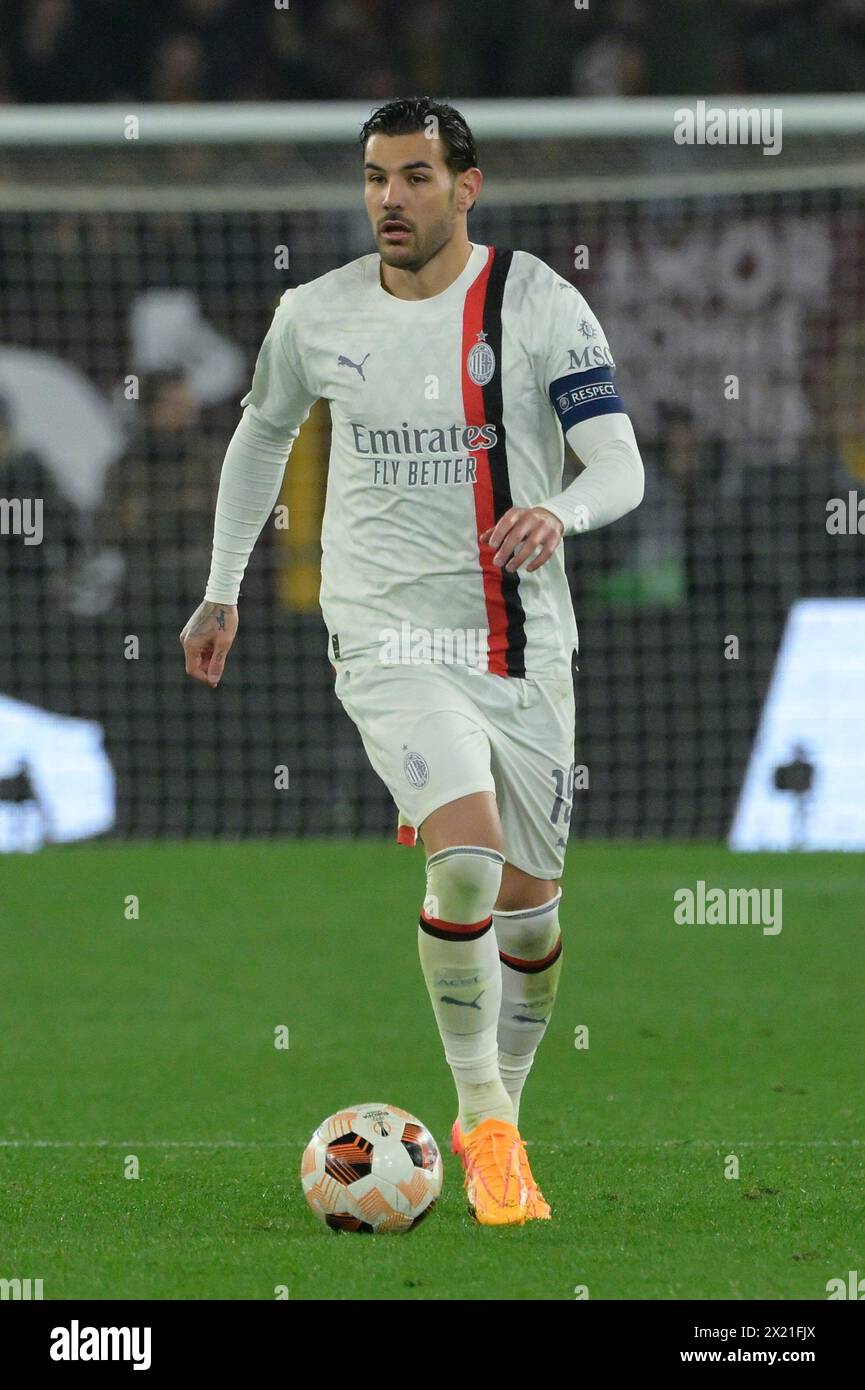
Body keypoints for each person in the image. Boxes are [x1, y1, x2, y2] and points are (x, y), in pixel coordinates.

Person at [180, 97, 644, 1226]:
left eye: (417, 177)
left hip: (521, 640)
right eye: (378, 177)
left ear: (465, 187)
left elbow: (619, 464)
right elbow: (260, 434)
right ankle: (477, 1108)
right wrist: (221, 587)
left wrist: (558, 514)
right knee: (470, 861)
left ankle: (506, 1122)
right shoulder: (316, 313)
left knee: (532, 919)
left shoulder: (536, 302)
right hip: (385, 632)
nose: (392, 197)